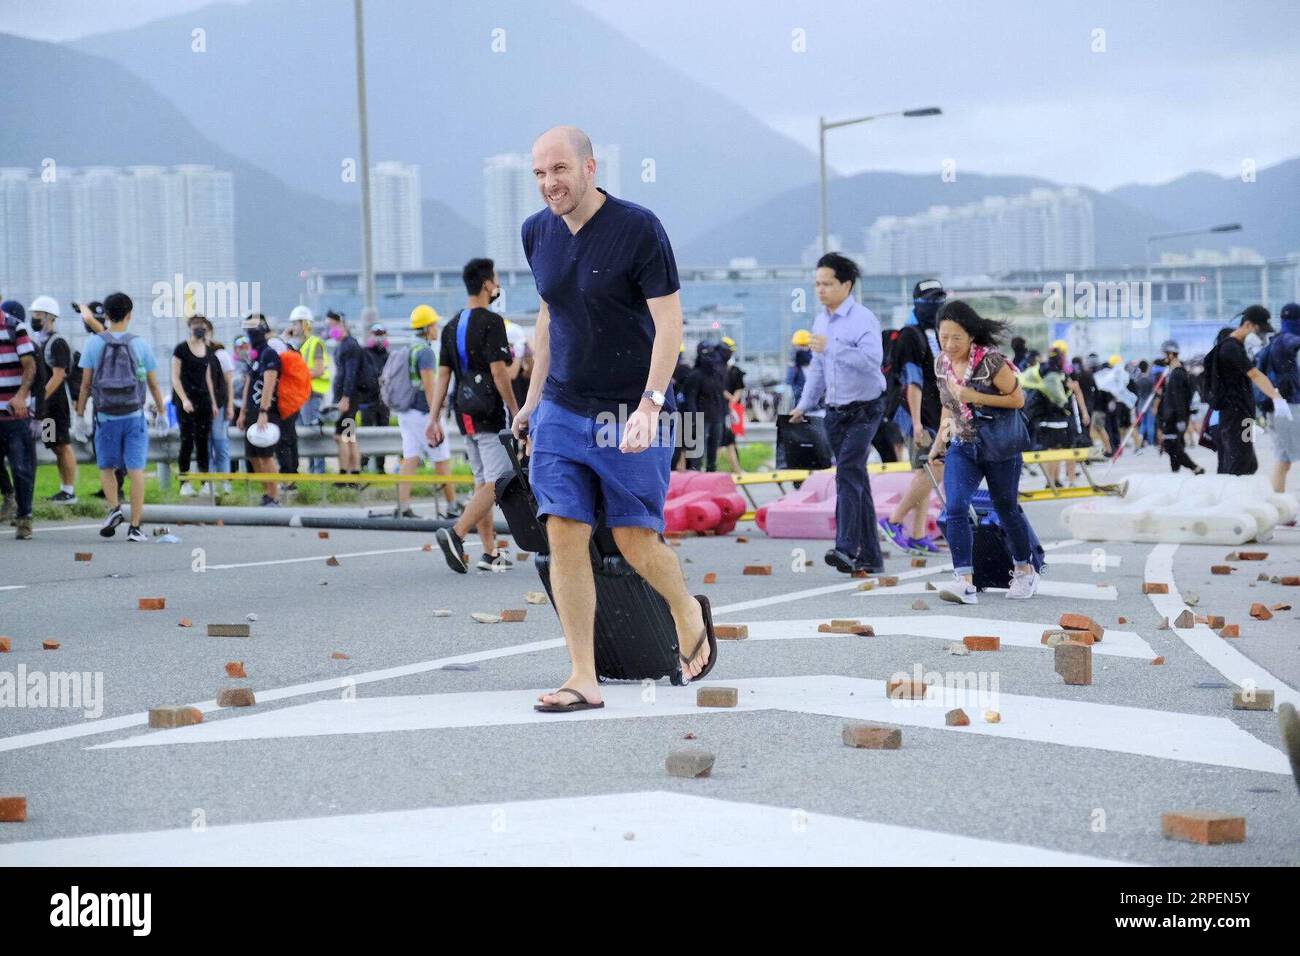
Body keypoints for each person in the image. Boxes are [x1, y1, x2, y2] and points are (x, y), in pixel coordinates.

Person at [511, 125, 715, 712]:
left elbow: (670, 324)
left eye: (560, 171)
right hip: (562, 411)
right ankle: (582, 675)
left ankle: (685, 610)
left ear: (590, 167)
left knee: (634, 540)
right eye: (540, 174)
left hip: (630, 411)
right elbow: (551, 317)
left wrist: (652, 404)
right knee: (563, 534)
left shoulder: (638, 228)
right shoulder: (536, 233)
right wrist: (531, 401)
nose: (551, 184)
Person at [927, 300, 1039, 603]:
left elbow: (1017, 399)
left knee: (1006, 509)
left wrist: (973, 395)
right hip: (964, 446)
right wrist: (939, 443)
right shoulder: (942, 363)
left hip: (1000, 446)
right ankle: (964, 580)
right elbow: (948, 406)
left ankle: (1024, 569)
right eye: (943, 336)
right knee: (956, 508)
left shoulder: (991, 362)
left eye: (956, 338)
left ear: (971, 335)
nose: (949, 344)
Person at [788, 252, 887, 574]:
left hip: (866, 409)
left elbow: (872, 361)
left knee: (847, 471)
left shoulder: (863, 319)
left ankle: (845, 547)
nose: (820, 290)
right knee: (856, 477)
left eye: (827, 284)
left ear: (847, 284)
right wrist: (804, 404)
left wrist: (833, 347)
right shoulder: (820, 321)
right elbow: (817, 370)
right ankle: (871, 556)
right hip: (834, 411)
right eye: (817, 284)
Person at [432, 258, 519, 570]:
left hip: (463, 411)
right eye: (494, 279)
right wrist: (516, 410)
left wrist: (434, 418)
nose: (497, 285)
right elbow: (499, 373)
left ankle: (490, 552)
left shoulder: (451, 325)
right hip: (489, 411)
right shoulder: (492, 323)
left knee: (483, 481)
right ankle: (456, 533)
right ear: (486, 284)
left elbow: (443, 376)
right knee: (498, 481)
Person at [74, 293, 167, 541]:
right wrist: (162, 412)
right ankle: (135, 527)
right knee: (136, 469)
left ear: (105, 314)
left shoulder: (94, 343)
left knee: (106, 467)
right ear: (129, 315)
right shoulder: (140, 344)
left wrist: (80, 415)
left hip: (105, 417)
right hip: (134, 416)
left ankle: (115, 509)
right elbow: (154, 384)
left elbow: (85, 385)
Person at [881, 279, 947, 554]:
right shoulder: (910, 335)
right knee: (935, 467)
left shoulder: (935, 333)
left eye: (939, 299)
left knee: (925, 473)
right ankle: (893, 522)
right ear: (917, 303)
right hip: (914, 413)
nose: (935, 305)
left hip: (932, 412)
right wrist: (918, 423)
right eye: (930, 300)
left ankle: (919, 535)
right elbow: (913, 382)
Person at [1205, 305, 1291, 475]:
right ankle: (1233, 498)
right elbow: (1255, 375)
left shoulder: (1235, 346)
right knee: (1239, 462)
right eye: (1260, 331)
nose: (1261, 336)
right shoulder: (1231, 348)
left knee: (1248, 462)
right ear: (1249, 325)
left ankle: (1237, 496)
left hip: (1241, 414)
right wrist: (1276, 397)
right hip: (1234, 415)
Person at [393, 305, 454, 519]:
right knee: (441, 457)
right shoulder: (426, 352)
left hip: (406, 411)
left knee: (410, 457)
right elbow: (430, 388)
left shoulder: (409, 348)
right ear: (427, 328)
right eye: (434, 325)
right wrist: (435, 418)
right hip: (422, 413)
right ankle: (452, 506)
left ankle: (403, 506)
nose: (437, 329)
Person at [29, 295, 80, 503]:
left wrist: (40, 399)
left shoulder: (57, 343)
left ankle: (69, 491)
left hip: (56, 405)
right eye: (33, 314)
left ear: (50, 317)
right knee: (54, 445)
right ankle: (64, 489)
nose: (35, 318)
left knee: (62, 444)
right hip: (45, 408)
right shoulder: (39, 341)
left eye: (38, 314)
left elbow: (59, 375)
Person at [0, 300, 38, 539]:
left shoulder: (15, 327)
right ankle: (9, 498)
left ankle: (24, 516)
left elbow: (30, 365)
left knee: (21, 468)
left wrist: (22, 396)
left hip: (15, 414)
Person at [236, 313, 283, 506]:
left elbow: (269, 382)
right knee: (253, 457)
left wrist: (264, 411)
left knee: (265, 455)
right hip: (252, 412)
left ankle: (275, 496)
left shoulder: (269, 353)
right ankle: (267, 493)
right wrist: (243, 411)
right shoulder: (254, 357)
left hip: (267, 412)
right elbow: (249, 382)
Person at [171, 312, 218, 496]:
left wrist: (213, 402)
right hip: (186, 401)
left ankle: (205, 481)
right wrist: (184, 399)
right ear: (190, 327)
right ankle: (185, 482)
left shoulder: (208, 350)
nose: (199, 328)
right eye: (196, 324)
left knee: (203, 442)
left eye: (202, 325)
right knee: (187, 441)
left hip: (204, 401)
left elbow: (208, 379)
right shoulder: (181, 349)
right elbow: (175, 377)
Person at [1262, 303, 1300, 493]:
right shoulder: (1288, 341)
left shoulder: (1276, 340)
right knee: (1284, 458)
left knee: (1283, 459)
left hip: (1275, 405)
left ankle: (1277, 502)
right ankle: (1276, 502)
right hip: (1288, 406)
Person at [287, 305, 329, 474]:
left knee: (312, 435)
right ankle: (313, 471)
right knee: (306, 435)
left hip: (312, 396)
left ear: (305, 324)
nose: (293, 328)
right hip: (303, 395)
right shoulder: (302, 345)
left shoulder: (315, 343)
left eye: (295, 324)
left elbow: (318, 370)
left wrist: (299, 376)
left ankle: (318, 473)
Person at [1152, 340, 1203, 474]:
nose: (1163, 358)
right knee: (1176, 446)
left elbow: (1180, 399)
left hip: (1174, 418)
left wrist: (1181, 418)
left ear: (1171, 355)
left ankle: (1196, 468)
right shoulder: (1173, 373)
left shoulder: (1177, 374)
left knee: (1171, 446)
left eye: (1164, 354)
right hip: (1171, 416)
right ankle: (1175, 473)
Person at [327, 309, 365, 481]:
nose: (330, 329)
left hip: (347, 400)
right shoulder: (343, 345)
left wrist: (345, 398)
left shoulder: (350, 345)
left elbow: (351, 374)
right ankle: (353, 473)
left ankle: (347, 475)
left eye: (333, 325)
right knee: (347, 436)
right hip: (344, 398)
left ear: (342, 324)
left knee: (344, 436)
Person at [682, 342, 728, 471]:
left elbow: (720, 397)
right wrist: (694, 419)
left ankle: (711, 476)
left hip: (716, 418)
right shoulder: (695, 376)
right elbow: (690, 399)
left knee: (713, 452)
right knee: (697, 454)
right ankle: (695, 478)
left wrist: (725, 415)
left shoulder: (718, 375)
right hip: (701, 419)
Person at [204, 318, 235, 492]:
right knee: (205, 445)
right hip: (202, 407)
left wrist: (230, 406)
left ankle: (224, 482)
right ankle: (209, 483)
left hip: (220, 406)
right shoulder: (193, 352)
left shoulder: (220, 354)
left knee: (220, 442)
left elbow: (229, 382)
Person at [360, 320, 391, 475]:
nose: (379, 338)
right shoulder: (364, 353)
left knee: (383, 434)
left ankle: (380, 467)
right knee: (366, 434)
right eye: (376, 334)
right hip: (367, 401)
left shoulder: (388, 355)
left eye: (381, 334)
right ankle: (363, 465)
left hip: (383, 402)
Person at [717, 336, 745, 472]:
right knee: (722, 441)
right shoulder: (716, 369)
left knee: (730, 440)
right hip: (720, 408)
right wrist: (729, 399)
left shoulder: (735, 370)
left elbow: (740, 388)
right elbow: (718, 388)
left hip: (733, 409)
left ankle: (736, 469)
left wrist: (733, 401)